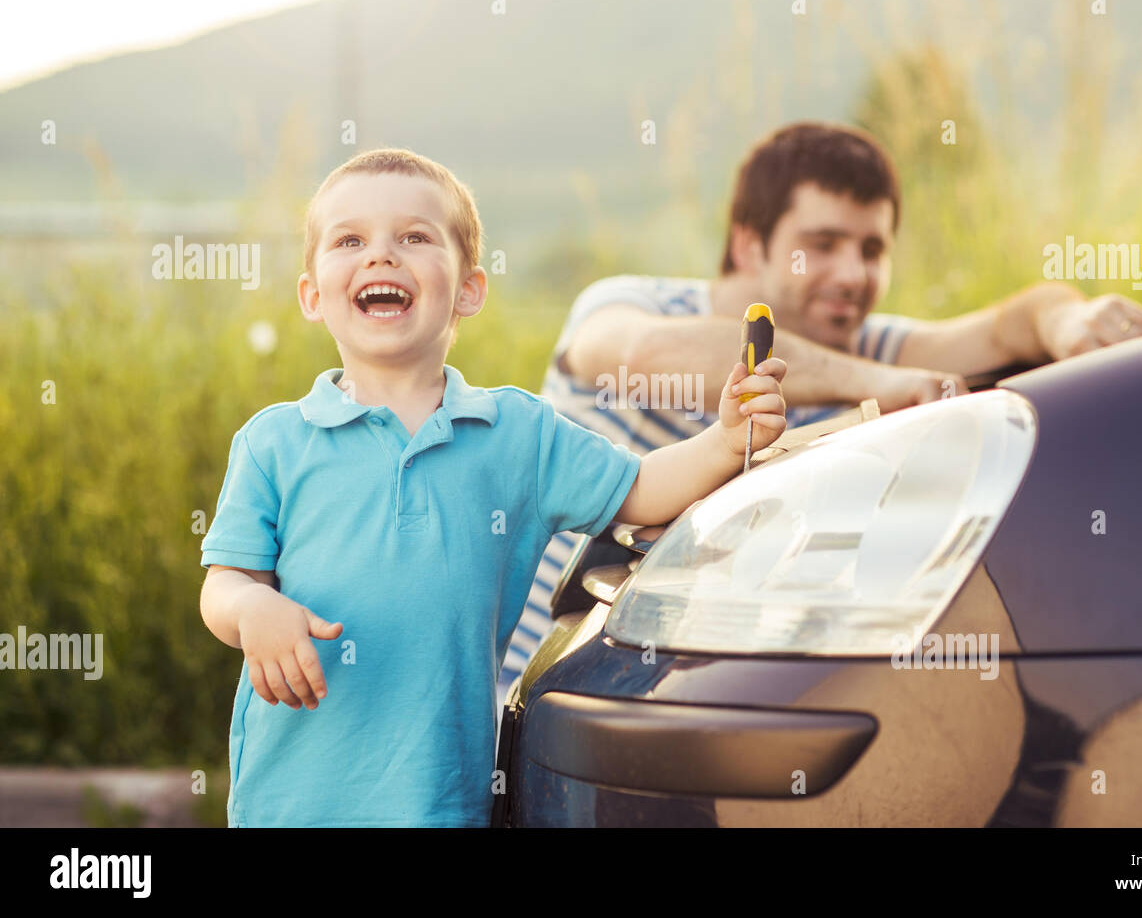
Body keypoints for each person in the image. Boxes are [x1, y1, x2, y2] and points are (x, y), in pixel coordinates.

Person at [196, 147, 787, 827]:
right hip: (288, 805)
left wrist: (724, 437)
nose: (381, 255)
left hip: (440, 804)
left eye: (415, 237)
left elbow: (643, 487)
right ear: (311, 294)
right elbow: (223, 584)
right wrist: (253, 610)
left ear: (470, 288)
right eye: (349, 240)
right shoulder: (274, 442)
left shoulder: (518, 435)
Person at [498, 121, 1142, 701]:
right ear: (750, 243)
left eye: (872, 250)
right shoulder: (630, 303)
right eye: (823, 244)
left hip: (654, 706)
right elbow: (646, 356)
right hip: (513, 695)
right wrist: (876, 383)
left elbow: (1007, 326)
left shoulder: (855, 339)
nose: (851, 274)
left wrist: (1067, 318)